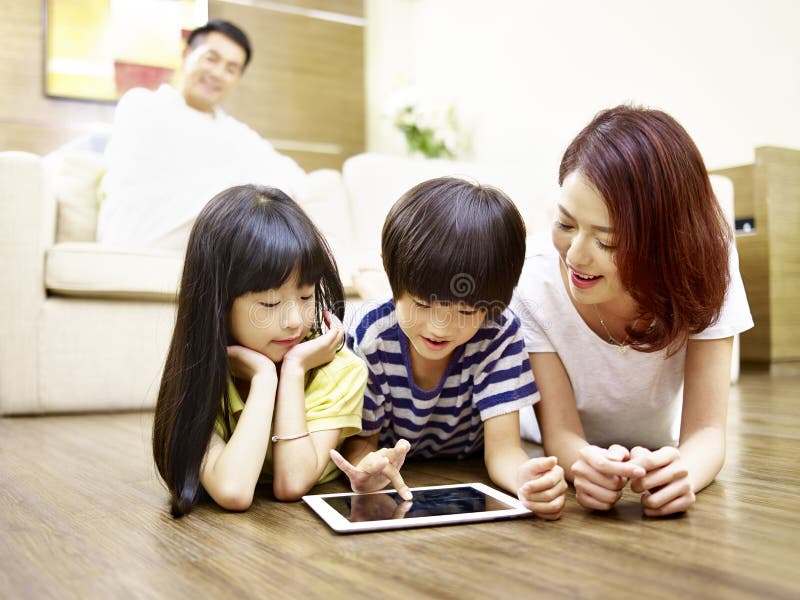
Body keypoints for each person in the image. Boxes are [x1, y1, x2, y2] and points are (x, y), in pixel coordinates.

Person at [510, 105, 753, 517]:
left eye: (609, 242)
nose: (577, 256)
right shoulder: (535, 284)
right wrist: (581, 464)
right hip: (542, 442)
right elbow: (561, 433)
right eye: (566, 225)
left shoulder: (707, 266)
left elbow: (708, 432)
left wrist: (685, 473)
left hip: (657, 444)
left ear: (665, 245)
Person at [330, 177, 568, 520]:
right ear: (394, 275)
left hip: (468, 468)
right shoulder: (372, 334)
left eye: (466, 312)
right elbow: (362, 441)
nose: (440, 328)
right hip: (401, 483)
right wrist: (366, 467)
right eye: (424, 305)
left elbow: (503, 449)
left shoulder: (499, 334)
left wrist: (525, 480)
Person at [152, 184, 367, 517]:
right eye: (269, 303)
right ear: (218, 304)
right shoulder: (203, 377)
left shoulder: (340, 370)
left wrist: (293, 370)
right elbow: (234, 491)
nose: (295, 321)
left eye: (307, 296)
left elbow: (292, 484)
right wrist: (265, 379)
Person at [97, 20, 305, 249]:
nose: (217, 73)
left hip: (205, 254)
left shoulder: (236, 133)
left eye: (231, 69)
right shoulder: (143, 105)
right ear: (186, 54)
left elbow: (294, 179)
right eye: (211, 59)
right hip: (134, 240)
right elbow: (155, 181)